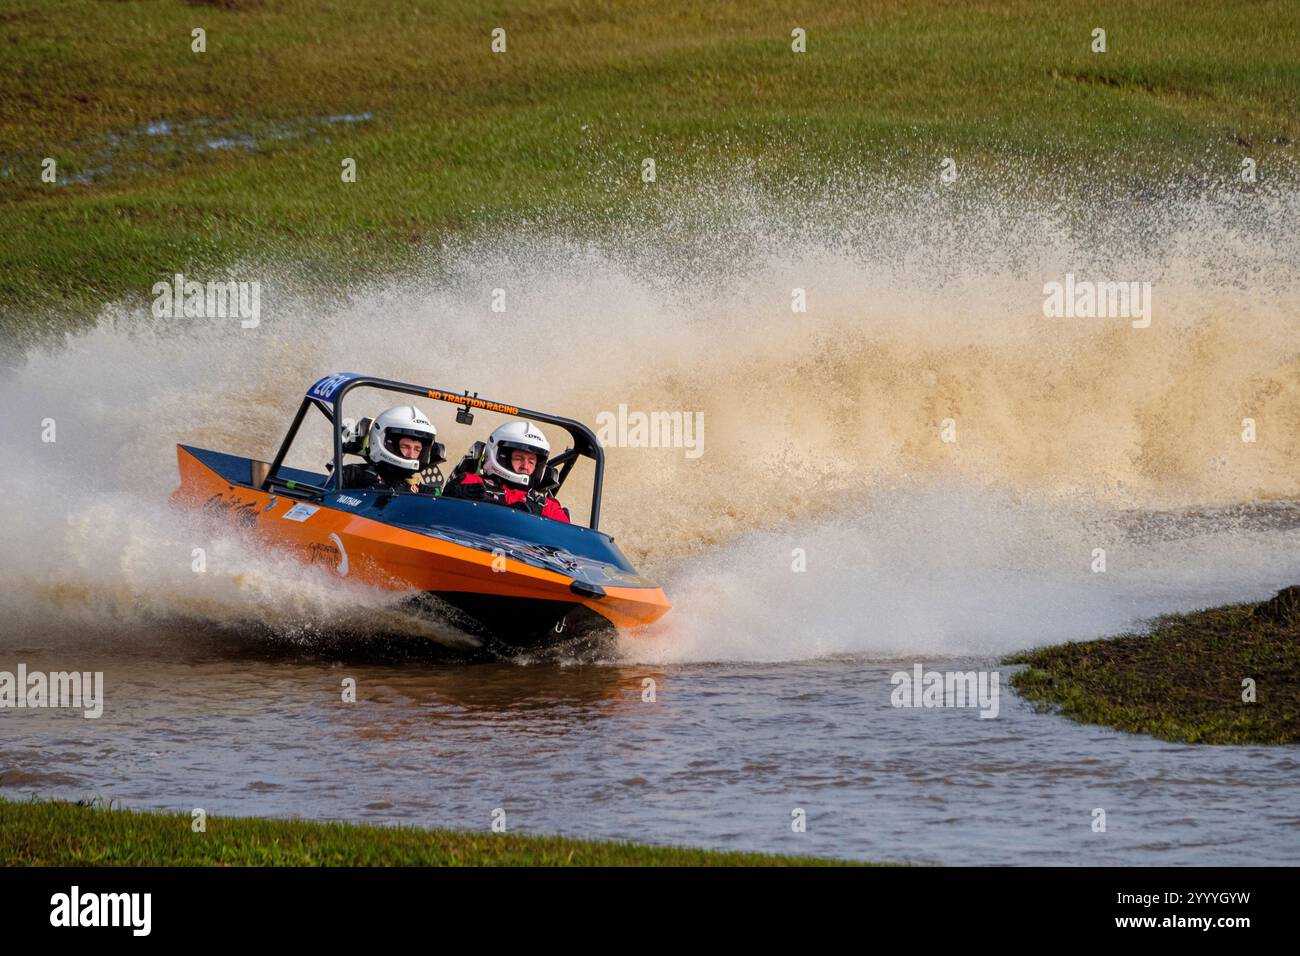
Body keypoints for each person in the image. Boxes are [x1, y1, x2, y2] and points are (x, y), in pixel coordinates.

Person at [443, 420, 570, 522]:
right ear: (501, 457)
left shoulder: (548, 506)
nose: (525, 466)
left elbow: (567, 541)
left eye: (531, 461)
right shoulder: (472, 482)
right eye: (519, 458)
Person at [340, 405, 444, 495]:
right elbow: (325, 502)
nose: (411, 454)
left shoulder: (422, 490)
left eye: (417, 449)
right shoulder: (351, 474)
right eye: (405, 446)